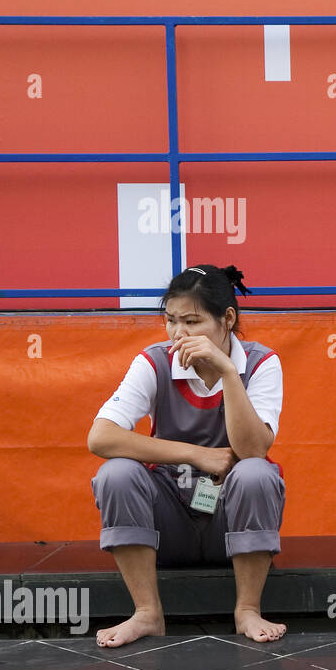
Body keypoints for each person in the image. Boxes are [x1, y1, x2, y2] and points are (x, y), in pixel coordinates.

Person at [88, 264, 287, 647]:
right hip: (168, 526)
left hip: (227, 523)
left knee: (256, 473)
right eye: (170, 321)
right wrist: (197, 455)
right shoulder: (154, 361)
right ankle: (147, 613)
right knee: (116, 473)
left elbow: (253, 449)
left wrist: (228, 372)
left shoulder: (261, 364)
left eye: (192, 322)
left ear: (227, 319)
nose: (179, 334)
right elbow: (100, 437)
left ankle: (247, 609)